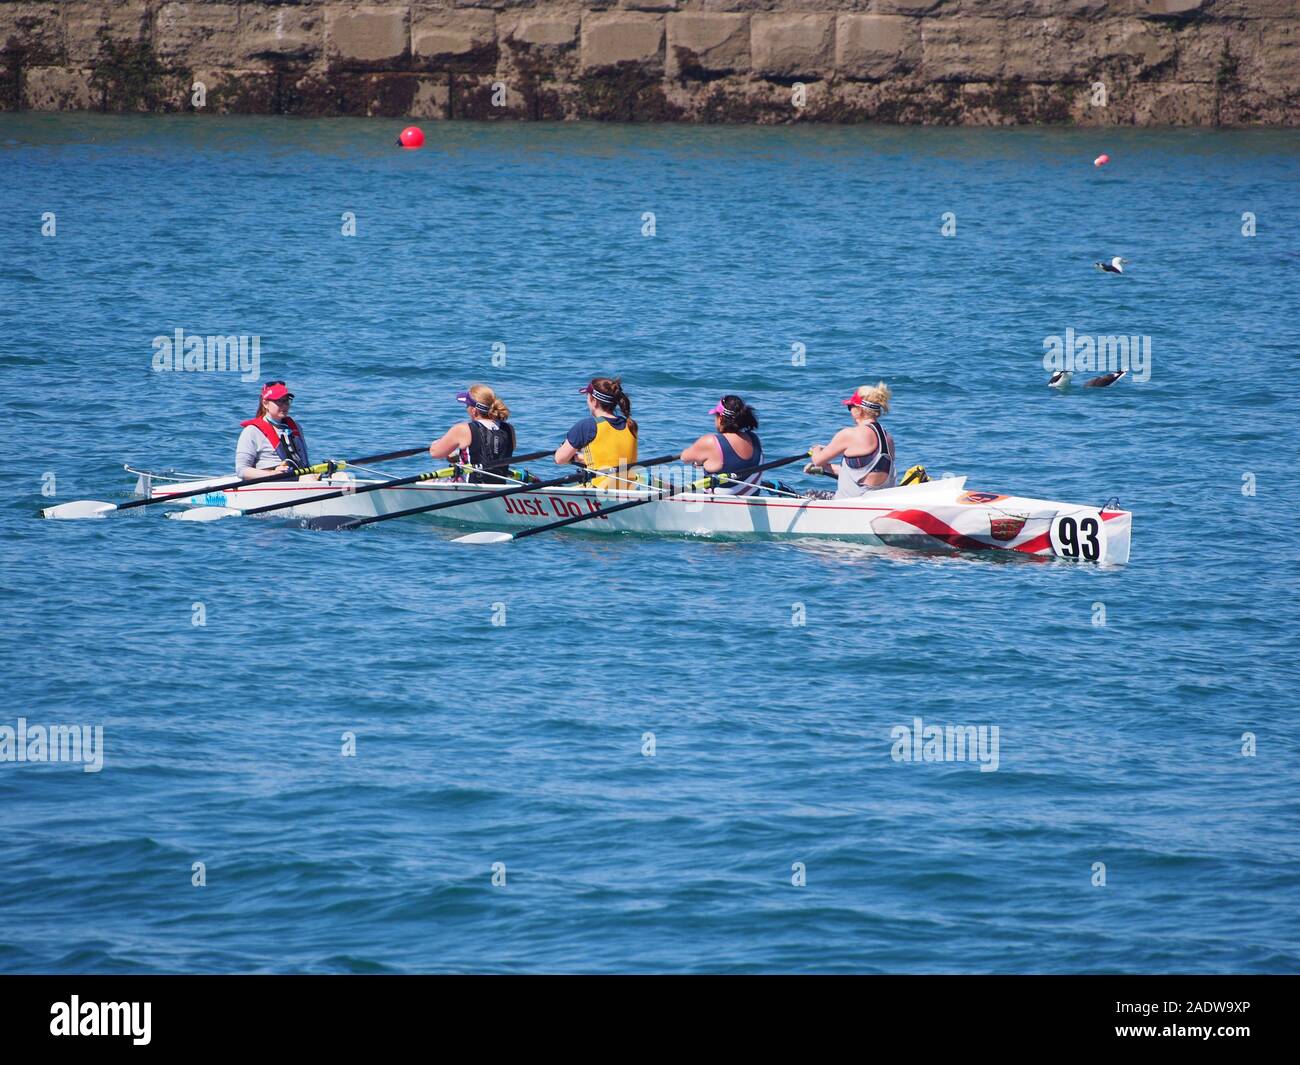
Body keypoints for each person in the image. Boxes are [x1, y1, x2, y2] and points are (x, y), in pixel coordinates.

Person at [807, 382, 897, 497]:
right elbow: (863, 473)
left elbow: (817, 460)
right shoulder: (888, 438)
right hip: (879, 500)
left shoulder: (849, 434)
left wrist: (816, 449)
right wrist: (823, 469)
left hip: (851, 502)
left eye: (850, 406)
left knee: (809, 494)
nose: (849, 411)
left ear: (859, 410)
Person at [554, 377, 638, 488]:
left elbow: (559, 459)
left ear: (594, 401)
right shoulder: (630, 425)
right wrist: (581, 458)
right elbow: (614, 459)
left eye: (587, 397)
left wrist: (565, 454)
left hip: (598, 490)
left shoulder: (587, 426)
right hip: (627, 487)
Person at [428, 385, 516, 483]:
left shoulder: (463, 429)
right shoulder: (509, 429)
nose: (466, 408)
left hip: (470, 486)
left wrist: (435, 445)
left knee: (427, 481)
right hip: (499, 487)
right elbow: (493, 454)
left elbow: (435, 453)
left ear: (474, 411)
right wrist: (458, 456)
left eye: (467, 406)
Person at [680, 395, 763, 495]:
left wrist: (701, 460)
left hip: (717, 505)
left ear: (721, 418)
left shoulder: (711, 441)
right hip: (750, 499)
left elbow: (684, 458)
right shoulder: (754, 439)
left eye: (716, 416)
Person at [236, 381, 312, 480]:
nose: (284, 406)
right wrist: (273, 473)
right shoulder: (252, 431)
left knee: (338, 476)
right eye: (279, 401)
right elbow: (241, 470)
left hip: (299, 479)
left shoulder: (295, 427)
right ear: (265, 403)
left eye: (286, 401)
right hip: (271, 483)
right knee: (309, 479)